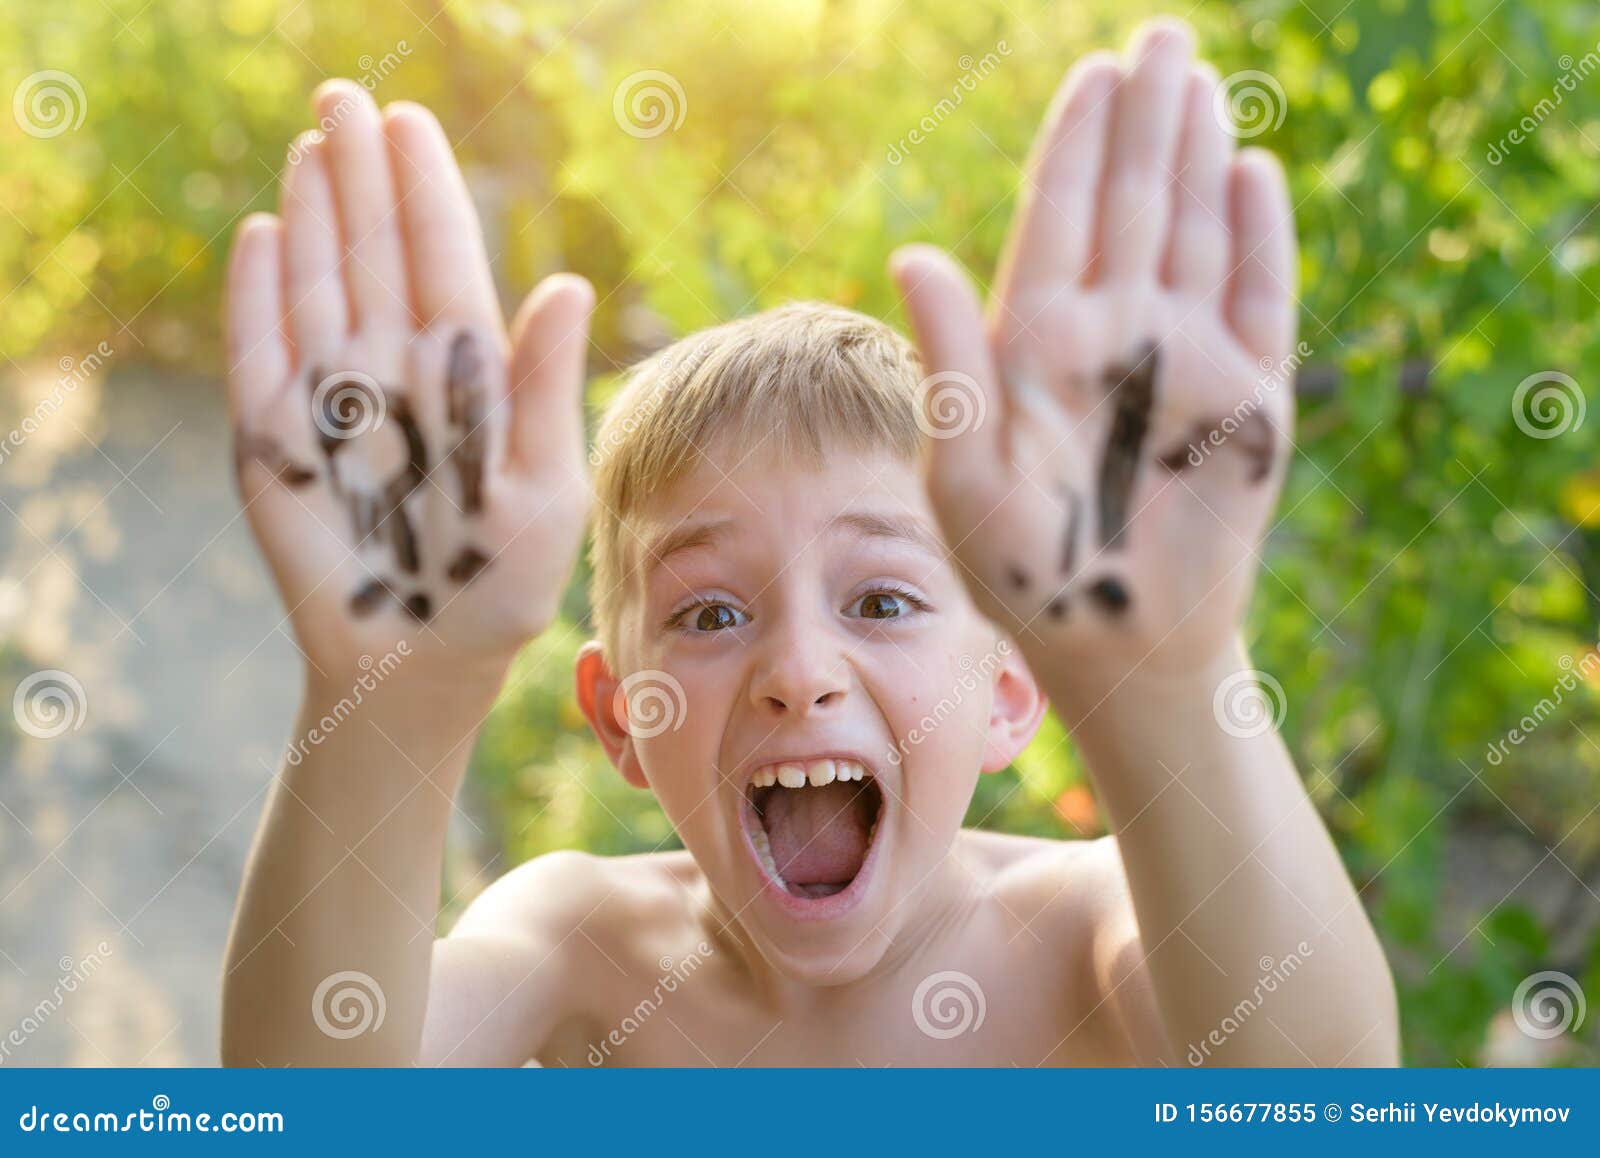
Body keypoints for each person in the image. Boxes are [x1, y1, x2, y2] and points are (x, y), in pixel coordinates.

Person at [219, 18, 1398, 1066]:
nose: (797, 674)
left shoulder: (1090, 935)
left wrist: (1172, 679)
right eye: (709, 614)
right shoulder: (577, 951)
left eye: (881, 601)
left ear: (1006, 689)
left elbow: (1319, 1097)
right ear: (619, 714)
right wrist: (395, 693)